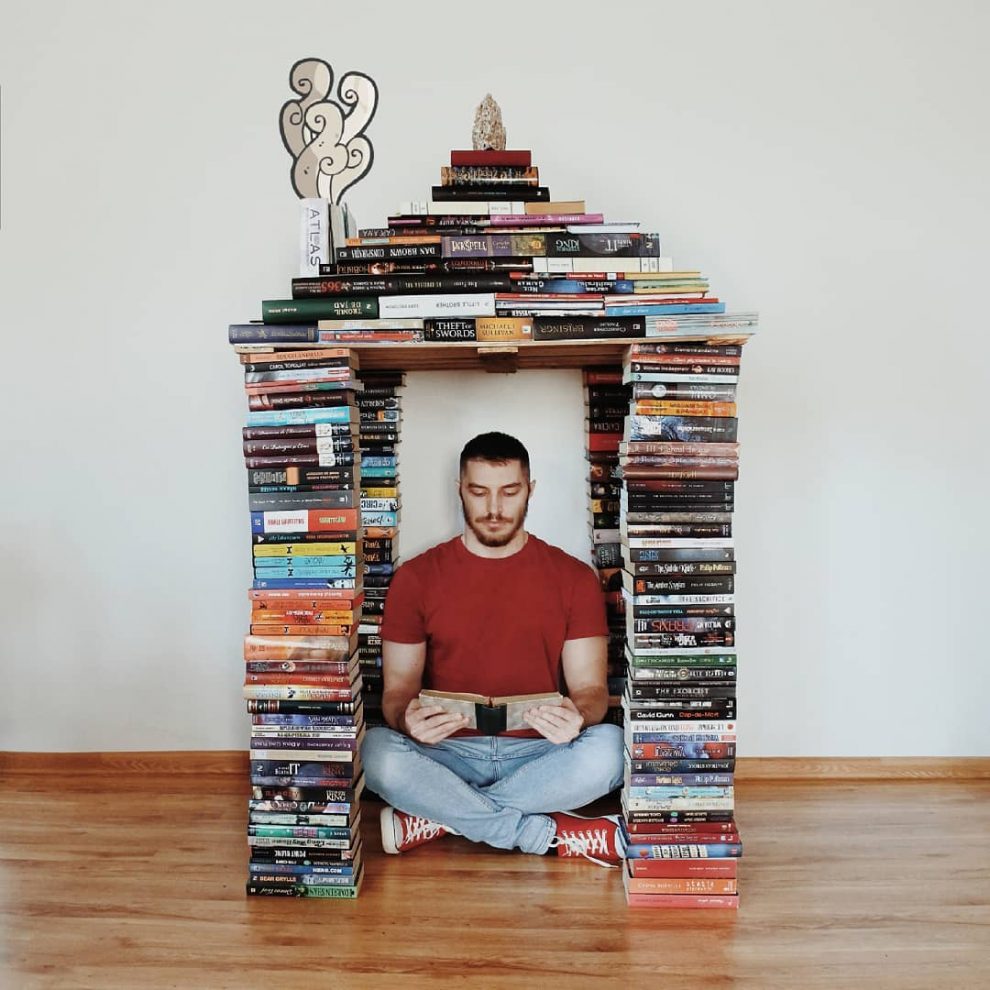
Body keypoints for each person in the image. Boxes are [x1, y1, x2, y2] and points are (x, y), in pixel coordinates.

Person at [360, 431, 624, 866]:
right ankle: (547, 836)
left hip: (541, 753)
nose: (495, 509)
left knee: (611, 747)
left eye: (510, 492)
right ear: (460, 490)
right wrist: (406, 720)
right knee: (376, 753)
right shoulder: (416, 578)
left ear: (530, 491)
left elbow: (591, 691)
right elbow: (396, 692)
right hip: (446, 752)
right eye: (479, 492)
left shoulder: (573, 577)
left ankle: (442, 817)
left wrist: (579, 716)